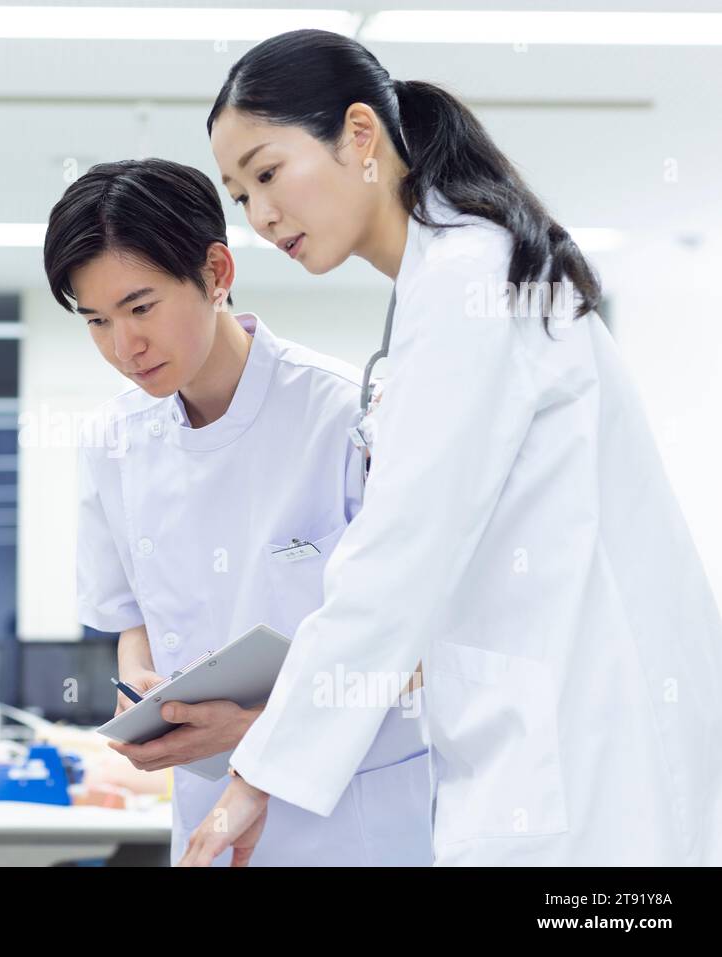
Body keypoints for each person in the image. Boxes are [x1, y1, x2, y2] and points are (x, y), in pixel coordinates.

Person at [183, 28, 722, 866]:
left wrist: (257, 776)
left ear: (360, 136)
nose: (260, 216)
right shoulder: (443, 284)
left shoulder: (471, 279)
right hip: (532, 746)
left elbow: (400, 553)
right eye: (240, 195)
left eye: (267, 172)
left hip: (591, 757)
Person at [45, 157, 431, 866]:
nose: (123, 347)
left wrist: (252, 726)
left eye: (141, 307)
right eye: (97, 321)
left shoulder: (344, 414)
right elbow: (134, 625)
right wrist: (146, 693)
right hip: (207, 820)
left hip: (362, 822)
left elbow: (420, 653)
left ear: (217, 272)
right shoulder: (113, 443)